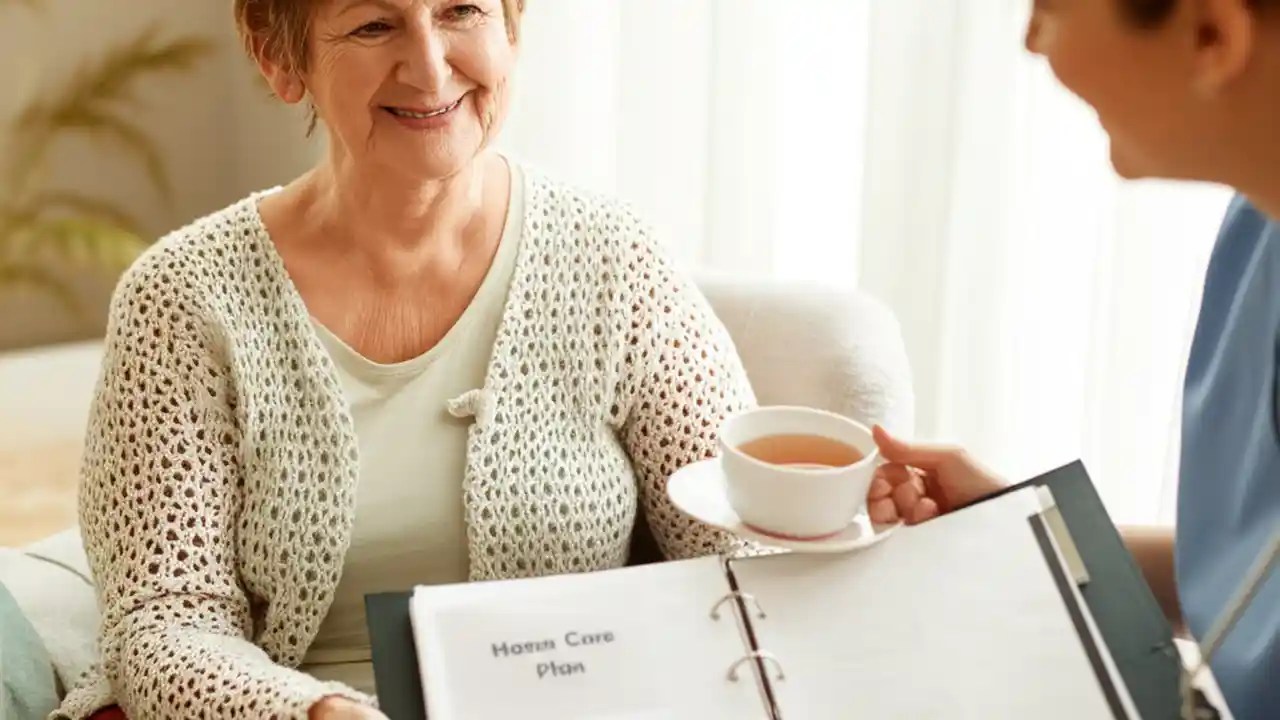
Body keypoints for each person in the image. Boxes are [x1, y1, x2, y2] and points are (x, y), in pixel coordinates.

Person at [54, 1, 760, 719]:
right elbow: (162, 624)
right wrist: (317, 713)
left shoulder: (616, 261)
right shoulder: (181, 297)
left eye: (461, 11)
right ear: (280, 57)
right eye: (373, 25)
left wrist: (864, 525)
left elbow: (751, 566)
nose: (429, 67)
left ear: (511, 29)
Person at [867, 0, 1279, 717]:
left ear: (1212, 34)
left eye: (1050, 8)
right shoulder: (1259, 226)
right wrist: (1026, 536)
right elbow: (1250, 585)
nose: (1030, 41)